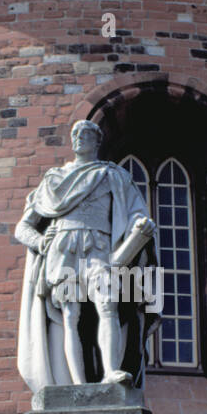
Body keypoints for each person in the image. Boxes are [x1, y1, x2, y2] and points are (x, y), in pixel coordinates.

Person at [15, 120, 160, 392]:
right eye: (76, 134)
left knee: (108, 304)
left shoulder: (113, 175)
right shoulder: (53, 180)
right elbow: (22, 227)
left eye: (87, 134)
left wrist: (140, 226)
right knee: (70, 315)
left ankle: (111, 372)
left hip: (100, 247)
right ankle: (77, 384)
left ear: (97, 140)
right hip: (63, 249)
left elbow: (135, 211)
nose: (80, 138)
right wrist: (39, 241)